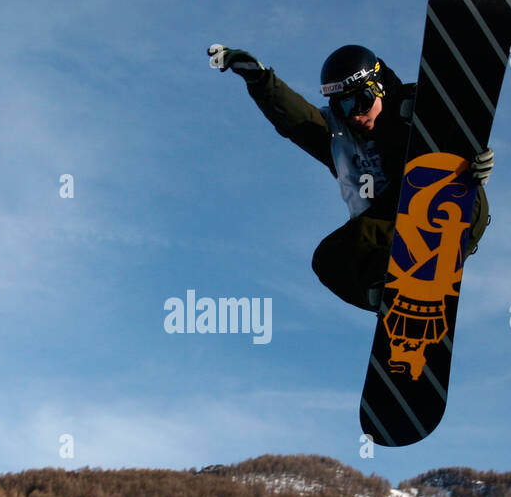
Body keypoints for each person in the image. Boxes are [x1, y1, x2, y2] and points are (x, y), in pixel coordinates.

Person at [209, 43, 494, 311]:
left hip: (453, 208)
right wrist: (259, 80)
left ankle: (422, 260)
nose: (354, 115)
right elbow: (297, 119)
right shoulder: (338, 138)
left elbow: (455, 125)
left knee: (408, 122)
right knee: (330, 259)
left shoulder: (410, 107)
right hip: (398, 227)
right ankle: (395, 289)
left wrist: (473, 159)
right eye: (342, 106)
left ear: (379, 89)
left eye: (361, 101)